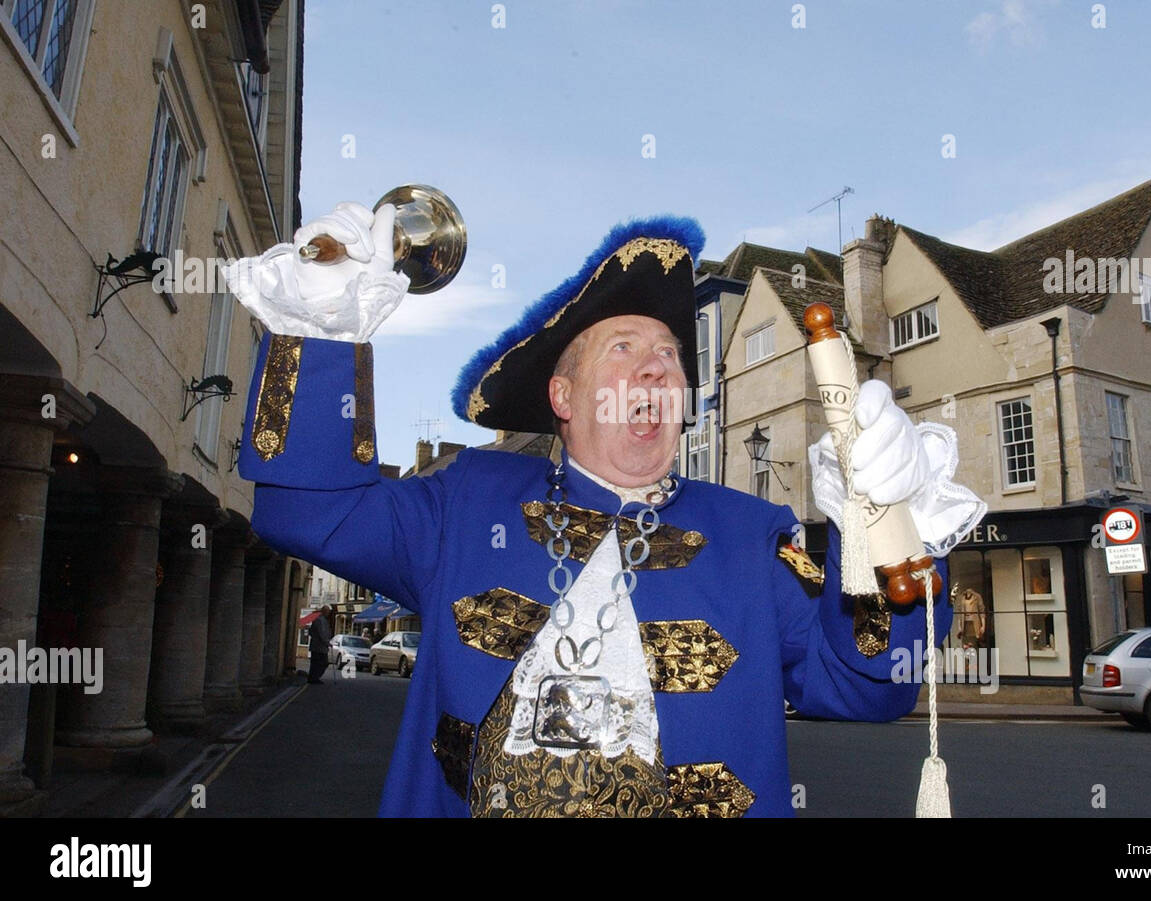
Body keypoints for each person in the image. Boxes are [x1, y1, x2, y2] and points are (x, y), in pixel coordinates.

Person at [222, 203, 984, 817]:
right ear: (562, 395)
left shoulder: (755, 535)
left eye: (671, 355)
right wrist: (318, 334)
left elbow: (872, 686)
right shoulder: (466, 499)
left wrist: (886, 521)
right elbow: (306, 514)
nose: (657, 362)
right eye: (624, 346)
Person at [307, 604, 333, 684]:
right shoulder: (320, 620)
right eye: (328, 611)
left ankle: (313, 678)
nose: (329, 613)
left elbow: (311, 632)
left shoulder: (321, 619)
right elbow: (322, 633)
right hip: (319, 647)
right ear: (324, 611)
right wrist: (327, 643)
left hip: (318, 646)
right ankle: (314, 678)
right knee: (322, 663)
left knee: (316, 663)